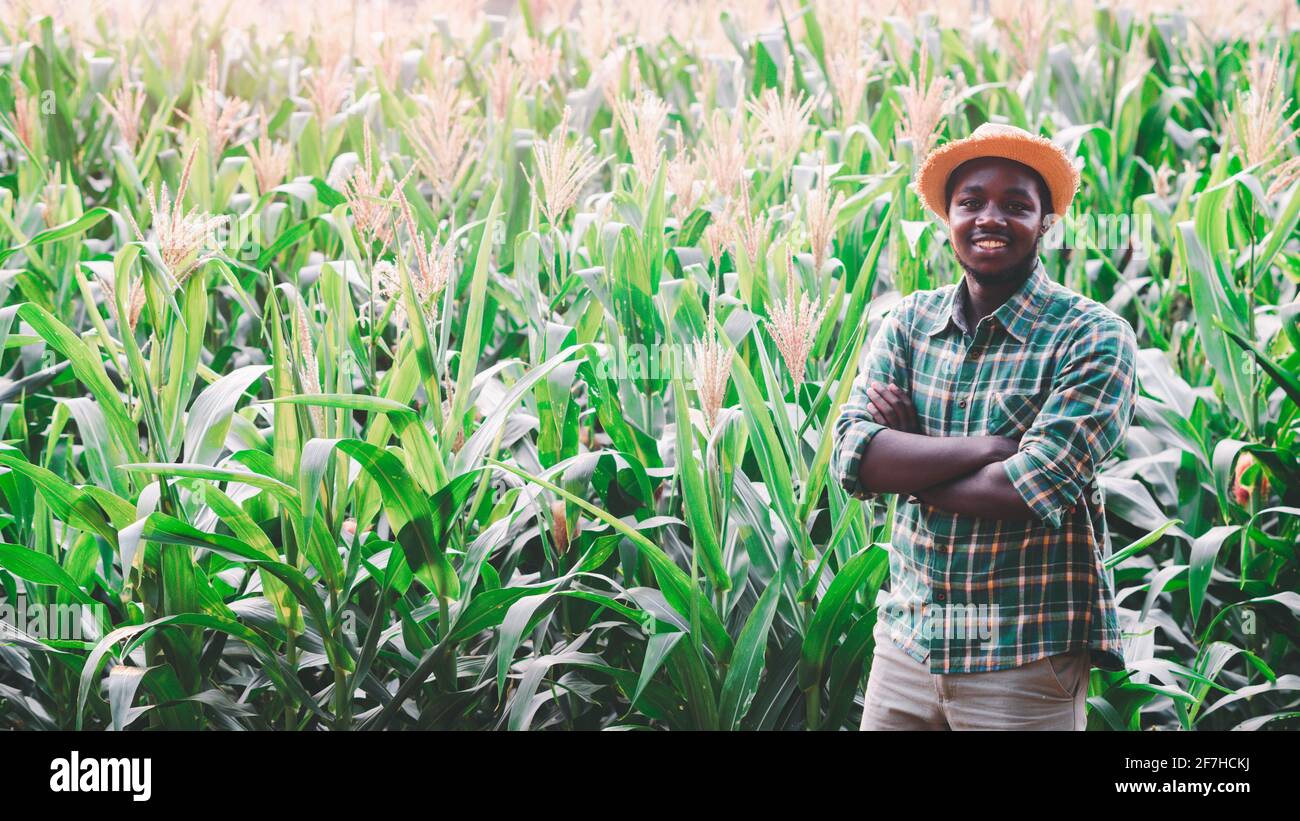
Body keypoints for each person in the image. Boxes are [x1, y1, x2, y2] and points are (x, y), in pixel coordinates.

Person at [831, 122, 1139, 730]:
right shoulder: (908, 322)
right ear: (947, 216)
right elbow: (854, 459)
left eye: (1016, 205)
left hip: (1023, 656)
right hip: (907, 645)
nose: (989, 219)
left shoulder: (1094, 336)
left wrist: (911, 460)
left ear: (1046, 221)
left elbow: (1025, 491)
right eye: (970, 202)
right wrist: (989, 448)